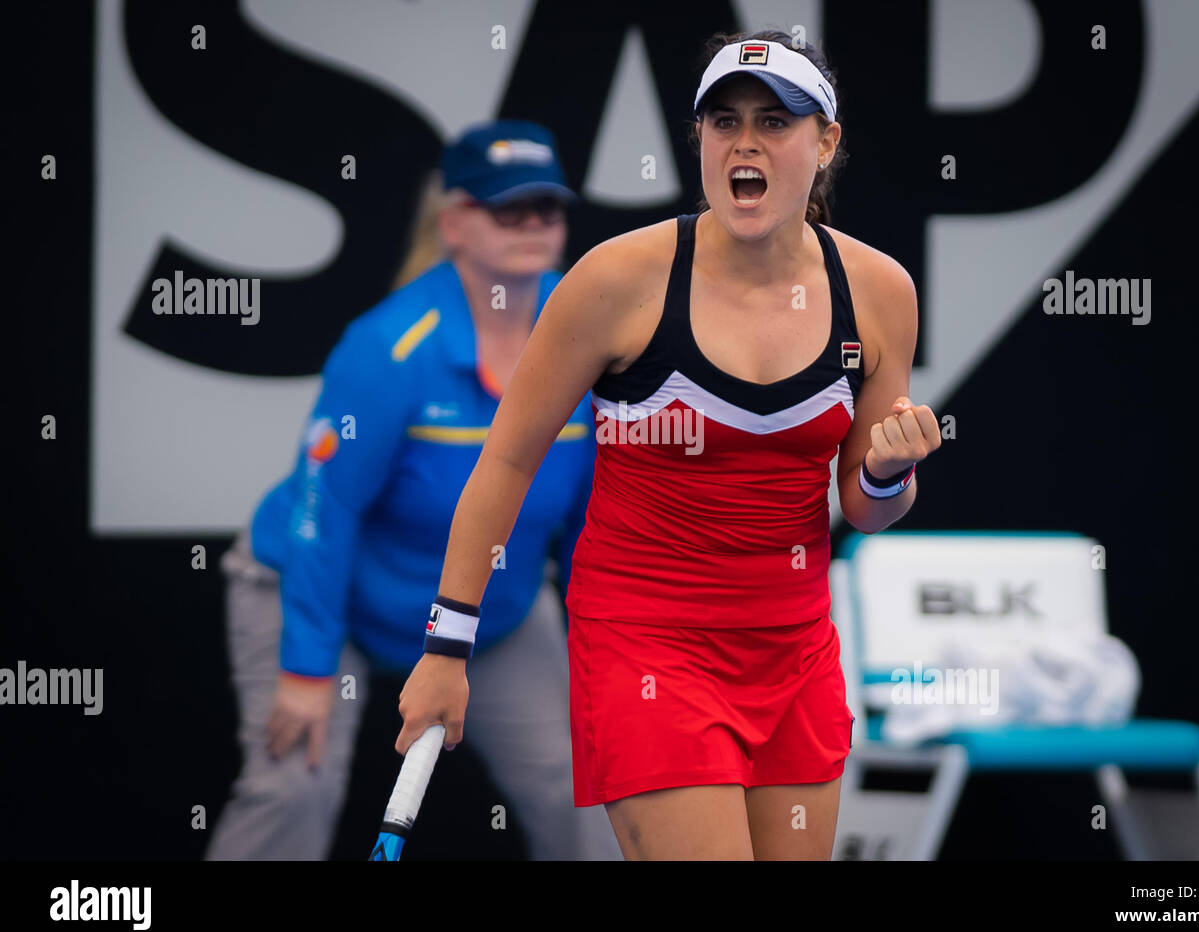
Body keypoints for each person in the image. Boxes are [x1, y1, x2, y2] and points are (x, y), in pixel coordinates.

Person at [395, 30, 944, 860]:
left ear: (826, 143)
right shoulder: (616, 280)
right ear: (701, 140)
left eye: (775, 122)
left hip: (796, 653)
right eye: (724, 123)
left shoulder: (879, 293)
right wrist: (446, 648)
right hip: (647, 647)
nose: (745, 143)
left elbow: (864, 510)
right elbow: (506, 461)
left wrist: (886, 470)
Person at [206, 119, 622, 861]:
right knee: (293, 787)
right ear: (454, 222)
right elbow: (323, 512)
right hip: (319, 599)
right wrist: (306, 669)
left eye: (547, 208)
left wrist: (607, 651)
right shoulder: (389, 345)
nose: (533, 224)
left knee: (584, 778)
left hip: (489, 612)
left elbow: (596, 517)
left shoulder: (592, 328)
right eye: (508, 208)